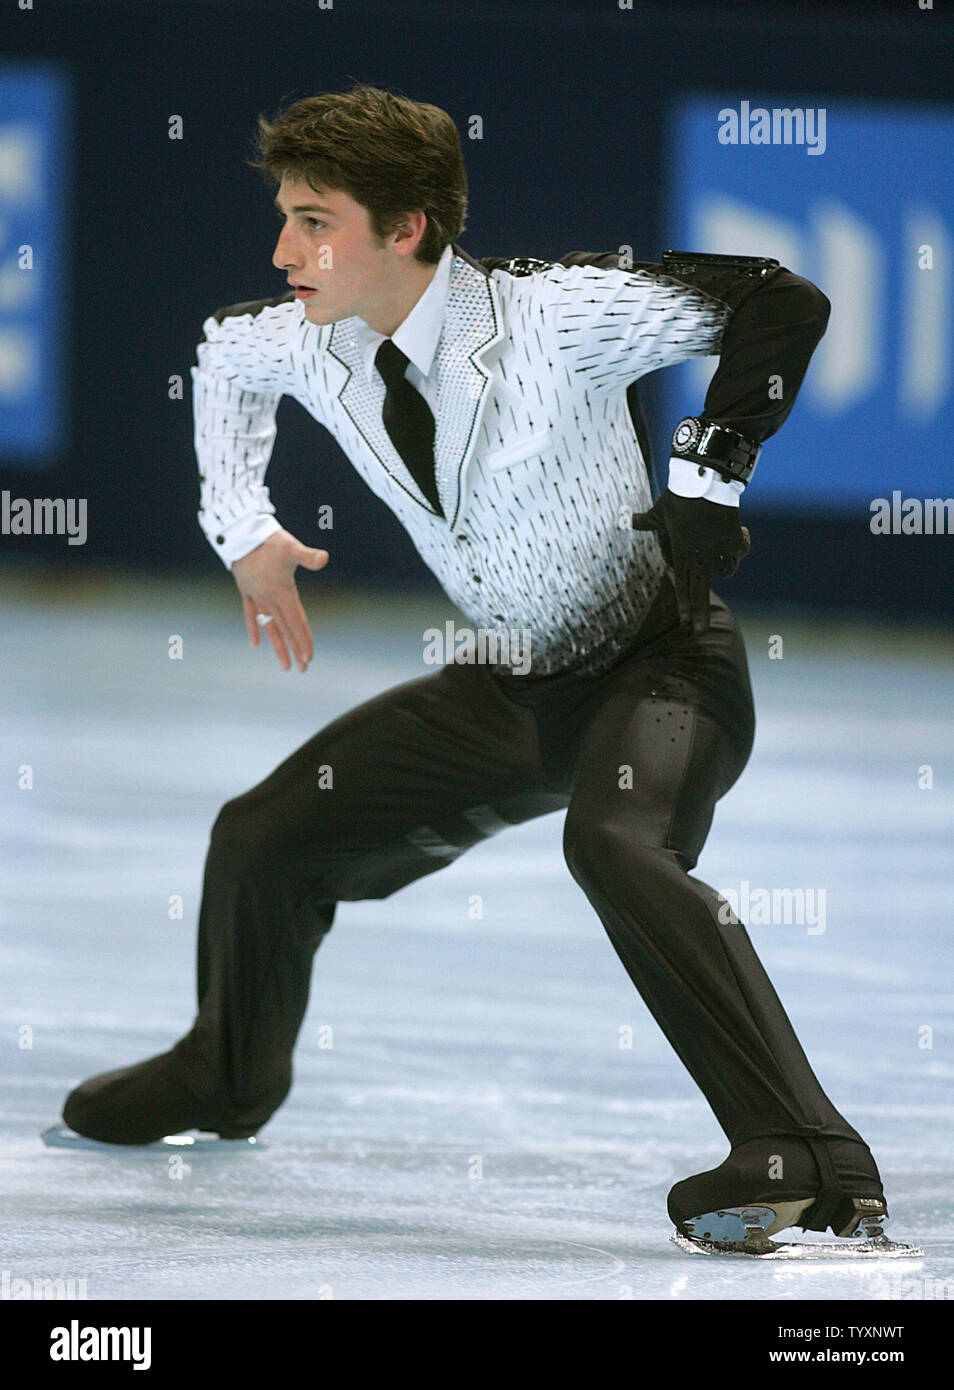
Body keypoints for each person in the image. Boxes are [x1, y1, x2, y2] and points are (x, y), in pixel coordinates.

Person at [62, 83, 888, 1250]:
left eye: (314, 220)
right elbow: (222, 358)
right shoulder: (306, 338)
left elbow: (780, 299)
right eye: (287, 217)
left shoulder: (554, 316)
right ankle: (223, 1072)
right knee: (262, 839)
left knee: (612, 842)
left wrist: (710, 475)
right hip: (512, 682)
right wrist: (241, 530)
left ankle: (809, 1154)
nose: (283, 247)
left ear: (405, 230)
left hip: (662, 668)